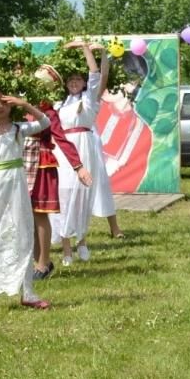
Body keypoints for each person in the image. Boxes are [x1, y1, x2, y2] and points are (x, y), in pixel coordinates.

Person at [0, 93, 51, 312]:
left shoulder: (18, 129)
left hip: (16, 180)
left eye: (5, 102)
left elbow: (45, 122)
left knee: (23, 230)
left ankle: (28, 291)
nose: (0, 107)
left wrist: (25, 103)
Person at [55, 41, 123, 265]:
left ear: (83, 83)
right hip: (64, 150)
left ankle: (82, 241)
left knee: (83, 197)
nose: (74, 83)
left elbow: (96, 74)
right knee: (64, 197)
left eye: (78, 79)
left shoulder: (89, 99)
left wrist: (85, 48)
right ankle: (66, 250)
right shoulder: (60, 104)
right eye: (70, 80)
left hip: (84, 146)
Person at [28, 65, 92, 279]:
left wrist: (78, 166)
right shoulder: (20, 107)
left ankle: (43, 263)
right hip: (22, 164)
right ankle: (37, 262)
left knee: (39, 214)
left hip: (42, 164)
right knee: (27, 215)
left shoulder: (48, 111)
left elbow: (62, 140)